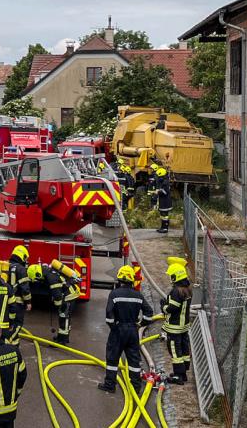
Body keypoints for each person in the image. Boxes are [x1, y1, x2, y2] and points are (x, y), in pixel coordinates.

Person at [97, 265, 155, 393]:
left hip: (118, 330)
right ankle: (135, 387)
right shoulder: (138, 295)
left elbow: (109, 314)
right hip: (133, 331)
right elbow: (149, 312)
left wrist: (113, 327)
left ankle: (110, 385)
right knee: (134, 360)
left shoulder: (114, 294)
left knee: (112, 358)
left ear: (120, 279)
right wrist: (140, 324)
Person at [28, 259, 81, 344]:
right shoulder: (47, 271)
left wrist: (57, 305)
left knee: (64, 316)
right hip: (68, 294)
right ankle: (63, 336)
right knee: (64, 317)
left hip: (69, 296)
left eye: (37, 279)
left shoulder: (50, 278)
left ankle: (62, 340)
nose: (39, 280)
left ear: (38, 274)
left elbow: (57, 295)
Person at [161, 256, 192, 384]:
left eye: (171, 276)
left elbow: (172, 308)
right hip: (184, 326)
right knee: (184, 349)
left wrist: (163, 306)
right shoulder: (188, 290)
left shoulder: (175, 292)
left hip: (174, 328)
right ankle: (183, 373)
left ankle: (178, 376)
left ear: (175, 277)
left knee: (175, 350)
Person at [6, 245, 31, 341]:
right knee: (18, 323)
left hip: (5, 301)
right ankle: (8, 343)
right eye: (25, 258)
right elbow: (25, 288)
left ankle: (14, 344)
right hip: (17, 302)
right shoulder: (21, 269)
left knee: (8, 323)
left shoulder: (5, 265)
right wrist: (28, 302)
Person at [153, 165, 174, 234]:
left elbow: (165, 192)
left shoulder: (165, 182)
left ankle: (165, 228)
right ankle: (162, 227)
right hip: (163, 201)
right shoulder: (163, 182)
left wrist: (158, 191)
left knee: (165, 215)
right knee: (162, 215)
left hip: (165, 202)